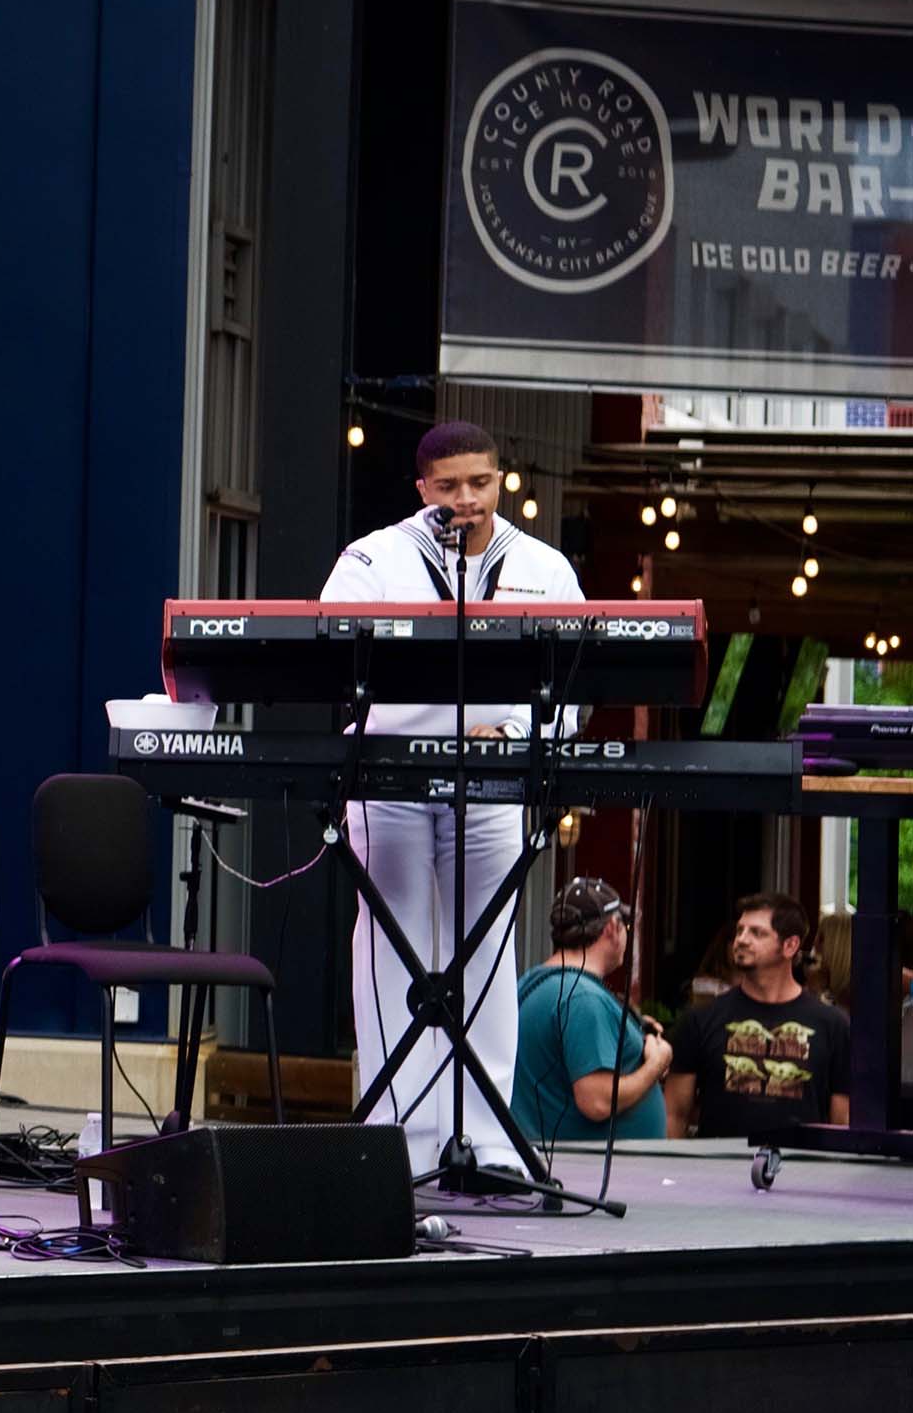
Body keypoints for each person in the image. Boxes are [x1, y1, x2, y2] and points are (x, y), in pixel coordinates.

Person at [322, 418, 581, 1177]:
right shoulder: (371, 557)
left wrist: (517, 728)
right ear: (420, 489)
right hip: (386, 779)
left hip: (491, 785)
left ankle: (490, 1145)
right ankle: (395, 1141)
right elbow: (330, 653)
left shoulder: (543, 566)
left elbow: (567, 688)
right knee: (388, 946)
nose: (464, 499)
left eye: (479, 482)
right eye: (447, 486)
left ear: (500, 480)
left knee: (488, 954)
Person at [666, 891, 852, 1139]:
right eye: (740, 931)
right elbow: (674, 1114)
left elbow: (842, 1120)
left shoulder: (833, 1025)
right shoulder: (700, 1019)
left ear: (790, 945)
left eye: (757, 933)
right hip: (714, 1172)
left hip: (804, 1173)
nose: (741, 940)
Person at [512, 878, 666, 1149]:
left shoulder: (536, 982)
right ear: (612, 928)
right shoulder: (583, 997)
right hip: (590, 1177)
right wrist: (656, 1063)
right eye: (625, 925)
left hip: (559, 1163)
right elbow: (597, 1101)